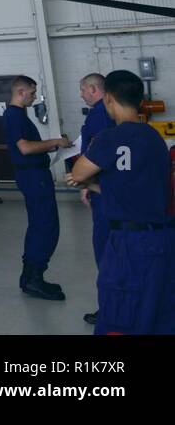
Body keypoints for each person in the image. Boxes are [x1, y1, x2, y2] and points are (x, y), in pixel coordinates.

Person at [66, 70, 175, 335]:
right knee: (158, 312)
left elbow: (78, 171)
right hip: (162, 242)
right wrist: (93, 186)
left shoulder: (110, 137)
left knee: (119, 312)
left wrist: (83, 179)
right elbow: (136, 187)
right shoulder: (155, 139)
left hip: (130, 244)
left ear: (109, 98)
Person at [3, 75, 72, 300]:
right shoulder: (14, 116)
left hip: (34, 175)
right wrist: (55, 142)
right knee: (46, 226)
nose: (34, 97)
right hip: (33, 177)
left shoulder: (19, 115)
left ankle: (29, 277)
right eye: (32, 93)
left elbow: (30, 146)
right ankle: (34, 279)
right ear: (21, 92)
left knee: (38, 225)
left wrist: (54, 145)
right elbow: (25, 148)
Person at [75, 72, 114, 324]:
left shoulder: (99, 115)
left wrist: (85, 182)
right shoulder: (105, 113)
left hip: (102, 192)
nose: (81, 95)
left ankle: (110, 312)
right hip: (107, 190)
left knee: (105, 253)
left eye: (82, 90)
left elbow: (96, 153)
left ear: (93, 89)